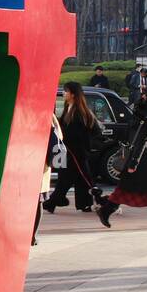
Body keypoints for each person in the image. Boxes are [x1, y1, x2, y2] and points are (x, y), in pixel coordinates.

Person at [96, 87, 147, 229]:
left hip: (137, 157)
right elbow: (141, 142)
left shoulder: (138, 114)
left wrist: (133, 160)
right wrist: (134, 162)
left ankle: (106, 210)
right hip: (144, 159)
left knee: (126, 187)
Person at [45, 82, 96, 214]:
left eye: (66, 91)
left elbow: (75, 133)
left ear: (73, 94)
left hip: (76, 152)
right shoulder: (70, 107)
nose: (64, 93)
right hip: (69, 151)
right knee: (70, 177)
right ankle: (80, 203)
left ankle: (54, 202)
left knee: (78, 178)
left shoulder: (79, 112)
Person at [34, 112, 64, 245]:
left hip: (35, 162)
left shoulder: (42, 113)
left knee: (36, 201)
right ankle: (32, 237)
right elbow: (59, 137)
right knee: (38, 201)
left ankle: (31, 236)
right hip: (41, 165)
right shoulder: (49, 114)